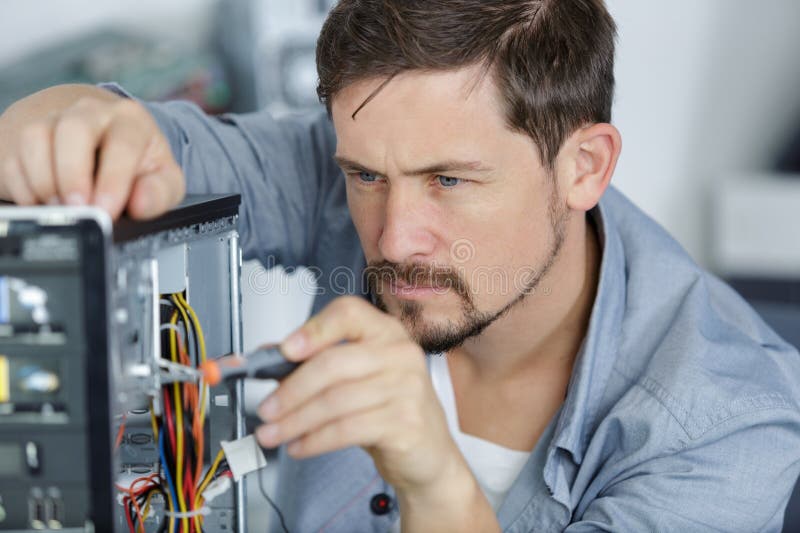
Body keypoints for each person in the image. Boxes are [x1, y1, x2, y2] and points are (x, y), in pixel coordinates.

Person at [1, 1, 799, 531]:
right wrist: (76, 120)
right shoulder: (343, 167)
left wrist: (435, 479)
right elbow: (165, 149)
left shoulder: (731, 426)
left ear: (583, 166)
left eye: (450, 180)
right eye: (365, 177)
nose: (393, 239)